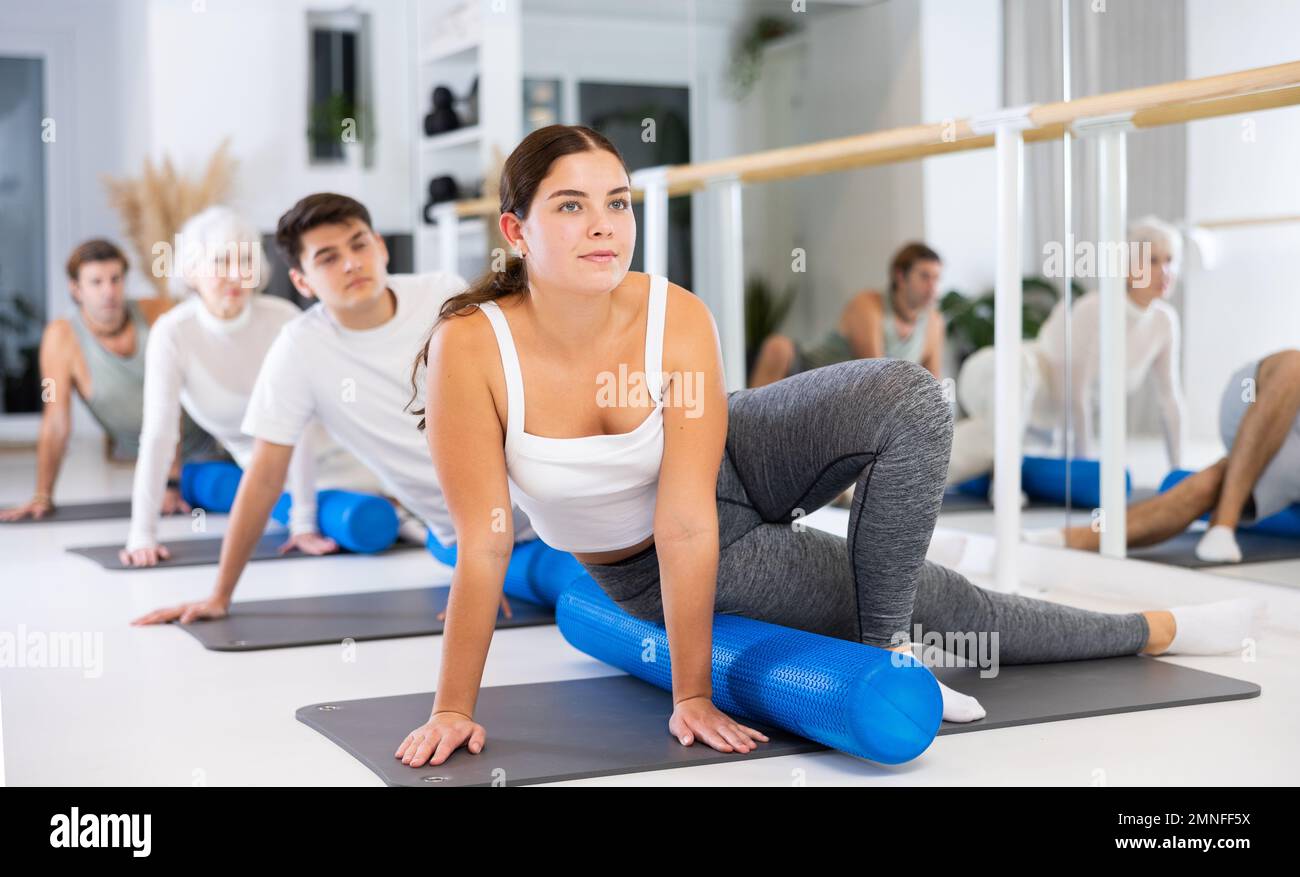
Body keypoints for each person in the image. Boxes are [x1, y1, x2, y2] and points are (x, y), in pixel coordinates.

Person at [393, 125, 1257, 769]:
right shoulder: (473, 346)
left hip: (729, 464)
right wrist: (454, 707)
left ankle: (886, 644)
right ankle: (1163, 627)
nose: (603, 226)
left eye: (617, 202)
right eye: (570, 206)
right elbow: (491, 538)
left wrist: (695, 685)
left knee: (910, 396)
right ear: (515, 231)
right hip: (655, 563)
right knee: (951, 604)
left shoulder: (673, 312)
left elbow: (692, 499)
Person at [131, 193, 535, 626]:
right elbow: (265, 475)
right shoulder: (299, 345)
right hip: (470, 532)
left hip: (546, 497)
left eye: (359, 245)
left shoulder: (443, 294)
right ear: (302, 281)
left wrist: (483, 556)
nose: (350, 264)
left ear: (380, 247)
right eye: (327, 257)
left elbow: (514, 398)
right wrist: (219, 595)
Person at [119, 205, 381, 567]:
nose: (237, 275)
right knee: (375, 519)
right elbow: (159, 435)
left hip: (343, 448)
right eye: (222, 263)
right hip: (270, 476)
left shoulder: (282, 319)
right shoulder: (173, 333)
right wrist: (141, 534)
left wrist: (303, 522)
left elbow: (299, 425)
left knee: (394, 507)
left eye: (246, 261)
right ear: (192, 271)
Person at [947, 216, 1188, 489]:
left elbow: (1170, 399)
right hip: (1003, 371)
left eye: (1169, 260)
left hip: (1038, 422)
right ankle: (998, 485)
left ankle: (911, 473)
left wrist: (1177, 471)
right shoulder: (1095, 308)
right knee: (1003, 426)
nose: (1164, 271)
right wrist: (1083, 469)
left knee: (986, 443)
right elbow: (1075, 395)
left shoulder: (1164, 322)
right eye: (1152, 261)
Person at [0, 240, 214, 522]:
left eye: (116, 279)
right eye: (96, 282)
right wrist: (43, 495)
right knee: (230, 489)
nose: (109, 291)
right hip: (176, 465)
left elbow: (170, 398)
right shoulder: (60, 338)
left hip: (214, 437)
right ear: (76, 289)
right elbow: (55, 419)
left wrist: (169, 482)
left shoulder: (158, 313)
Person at [1030, 349, 1300, 563]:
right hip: (1256, 394)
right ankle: (1225, 521)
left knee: (1212, 483)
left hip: (1285, 456)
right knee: (1294, 366)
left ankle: (1071, 538)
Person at [748, 242, 946, 387]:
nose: (932, 287)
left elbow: (932, 387)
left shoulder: (934, 322)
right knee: (777, 347)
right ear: (900, 276)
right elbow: (875, 374)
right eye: (924, 277)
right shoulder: (868, 304)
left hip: (850, 396)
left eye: (936, 279)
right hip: (807, 374)